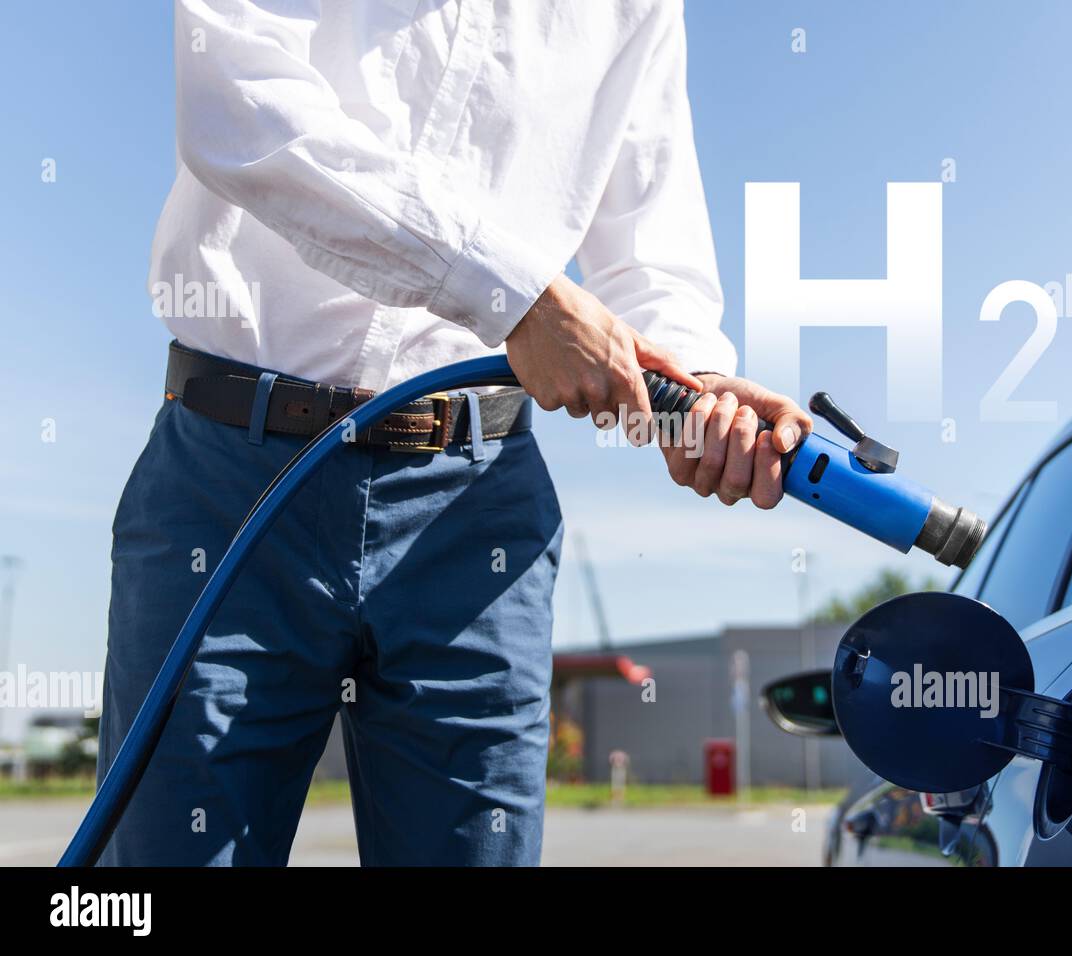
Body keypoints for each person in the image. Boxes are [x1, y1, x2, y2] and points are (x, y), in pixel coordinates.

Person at [99, 0, 811, 866]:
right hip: (230, 481)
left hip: (475, 512)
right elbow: (240, 109)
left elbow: (651, 254)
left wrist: (691, 394)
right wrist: (515, 294)